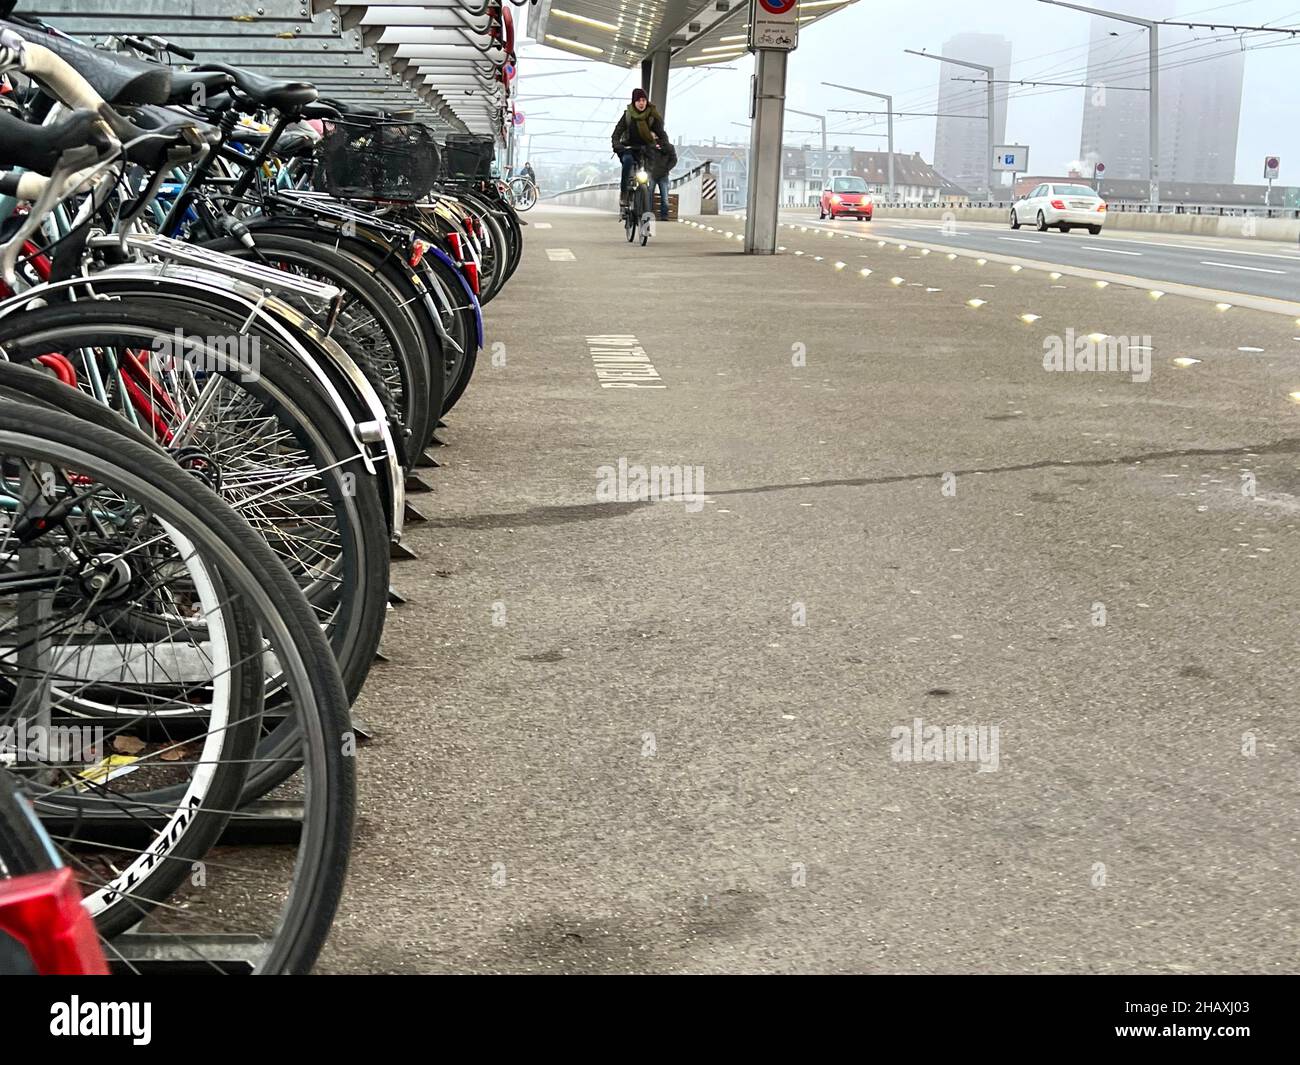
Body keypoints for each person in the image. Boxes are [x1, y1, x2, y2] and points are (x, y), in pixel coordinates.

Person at [611, 87, 665, 209]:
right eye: (638, 100)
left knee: (651, 170)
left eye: (644, 100)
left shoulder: (652, 117)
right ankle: (624, 193)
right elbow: (616, 135)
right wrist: (618, 146)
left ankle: (645, 198)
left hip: (646, 150)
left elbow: (661, 134)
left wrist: (661, 145)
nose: (641, 103)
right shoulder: (628, 116)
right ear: (634, 102)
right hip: (628, 149)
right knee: (628, 161)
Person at [646, 136, 677, 222]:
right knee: (649, 196)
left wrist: (667, 169)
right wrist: (648, 169)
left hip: (663, 175)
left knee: (664, 196)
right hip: (652, 174)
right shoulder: (650, 146)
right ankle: (648, 215)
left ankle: (664, 216)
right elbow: (645, 158)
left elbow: (674, 159)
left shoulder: (669, 147)